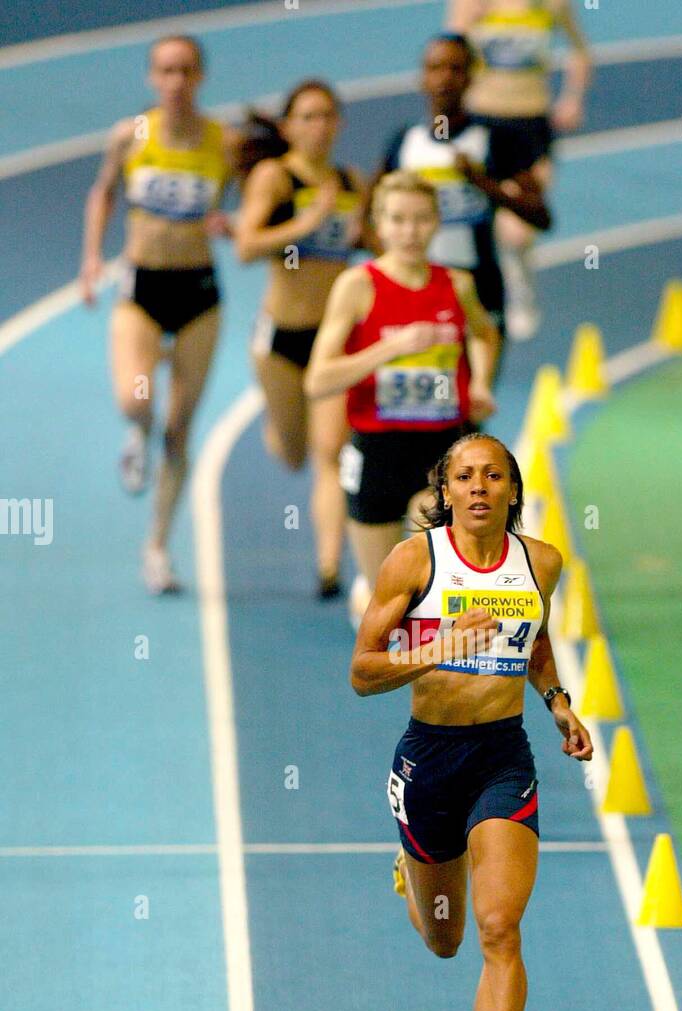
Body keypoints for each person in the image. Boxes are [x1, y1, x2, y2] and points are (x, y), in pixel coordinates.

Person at [350, 432, 593, 1011]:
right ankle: (412, 873)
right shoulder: (413, 561)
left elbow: (535, 638)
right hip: (428, 758)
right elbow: (362, 671)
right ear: (444, 491)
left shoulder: (539, 563)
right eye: (464, 476)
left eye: (493, 475)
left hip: (501, 757)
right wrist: (437, 648)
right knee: (445, 940)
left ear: (513, 490)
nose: (479, 486)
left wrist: (556, 702)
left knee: (498, 927)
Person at [80, 34, 241, 594]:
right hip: (142, 288)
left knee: (180, 432)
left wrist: (234, 225)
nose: (176, 81)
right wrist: (92, 258)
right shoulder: (131, 135)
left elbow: (253, 205)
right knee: (136, 397)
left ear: (200, 77)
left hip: (199, 293)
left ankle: (157, 549)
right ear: (153, 77)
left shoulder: (223, 141)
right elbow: (102, 194)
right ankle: (135, 433)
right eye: (167, 71)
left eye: (187, 71)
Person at [304, 171, 499, 624]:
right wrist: (391, 348)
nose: (410, 231)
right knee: (387, 598)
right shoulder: (358, 286)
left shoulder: (457, 284)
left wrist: (481, 383)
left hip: (441, 446)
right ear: (379, 224)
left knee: (430, 558)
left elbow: (485, 334)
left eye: (421, 219)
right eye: (398, 220)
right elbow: (318, 381)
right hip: (377, 447)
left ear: (436, 223)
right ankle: (369, 594)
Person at [235, 80, 365, 599]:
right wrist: (308, 221)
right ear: (287, 126)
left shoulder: (352, 182)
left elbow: (370, 243)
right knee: (292, 453)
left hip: (333, 341)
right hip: (281, 339)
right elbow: (247, 245)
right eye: (308, 116)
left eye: (328, 115)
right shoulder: (275, 177)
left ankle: (329, 567)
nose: (320, 125)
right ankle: (279, 425)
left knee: (329, 452)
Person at [371, 33, 551, 369]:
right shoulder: (403, 143)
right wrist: (392, 268)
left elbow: (542, 217)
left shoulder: (495, 140)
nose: (444, 79)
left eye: (455, 69)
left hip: (479, 294)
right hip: (415, 296)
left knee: (473, 408)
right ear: (422, 78)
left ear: (471, 77)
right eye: (436, 68)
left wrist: (484, 184)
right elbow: (365, 217)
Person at [447, 0, 593, 339]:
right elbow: (449, 57)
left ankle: (519, 286)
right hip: (483, 122)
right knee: (479, 218)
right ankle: (476, 295)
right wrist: (467, 28)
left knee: (519, 226)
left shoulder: (552, 4)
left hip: (531, 126)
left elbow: (581, 52)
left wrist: (573, 98)